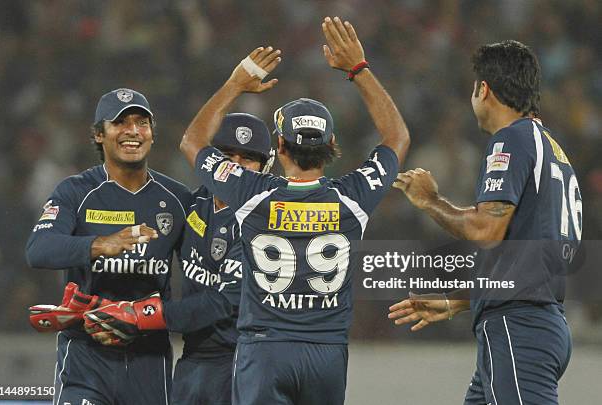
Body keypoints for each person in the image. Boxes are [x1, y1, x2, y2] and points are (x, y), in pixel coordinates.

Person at [179, 16, 410, 405]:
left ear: (279, 147)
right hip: (327, 352)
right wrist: (358, 69)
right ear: (331, 143)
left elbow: (192, 141)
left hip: (265, 349)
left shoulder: (251, 192)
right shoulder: (353, 198)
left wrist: (236, 83)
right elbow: (397, 137)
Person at [389, 40, 582, 405]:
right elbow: (529, 262)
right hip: (540, 321)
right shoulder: (554, 150)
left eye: (474, 87)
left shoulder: (510, 140)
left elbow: (486, 229)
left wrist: (429, 200)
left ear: (484, 89)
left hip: (519, 327)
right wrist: (464, 300)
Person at [25, 88, 191, 405]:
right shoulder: (76, 191)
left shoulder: (177, 199)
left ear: (152, 134)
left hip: (150, 361)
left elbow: (201, 276)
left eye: (141, 123)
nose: (132, 131)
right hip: (86, 358)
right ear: (99, 135)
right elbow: (38, 249)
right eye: (119, 123)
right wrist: (100, 245)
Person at [171, 113, 274, 405]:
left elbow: (221, 304)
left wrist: (145, 316)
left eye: (248, 158)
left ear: (265, 166)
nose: (236, 166)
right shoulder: (193, 204)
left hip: (240, 361)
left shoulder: (263, 220)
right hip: (192, 356)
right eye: (227, 155)